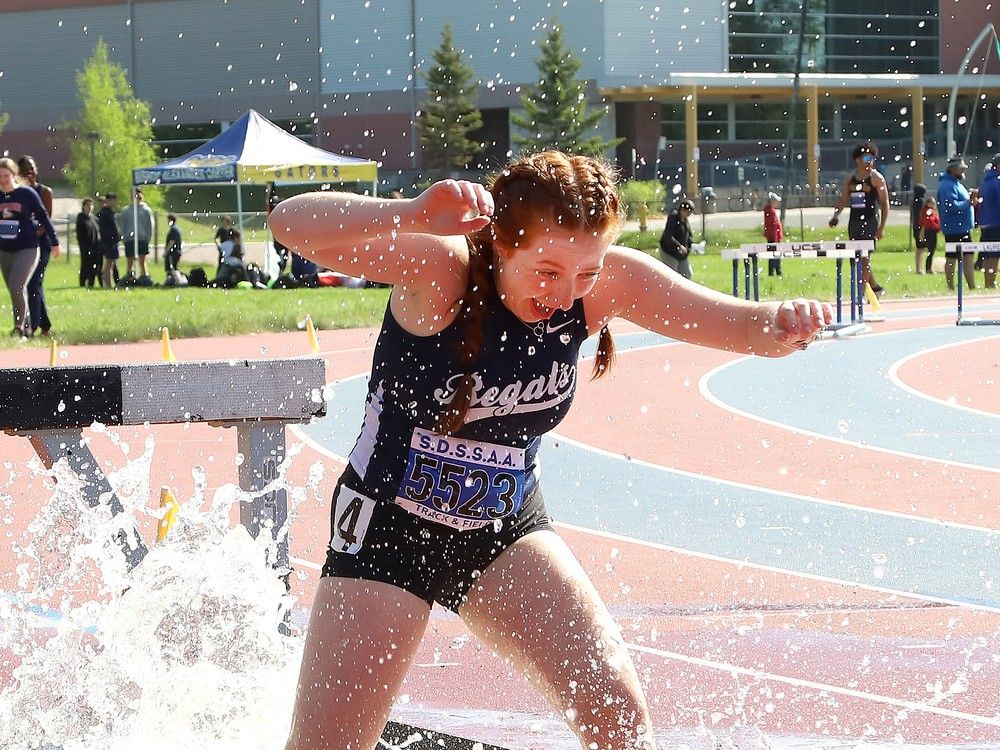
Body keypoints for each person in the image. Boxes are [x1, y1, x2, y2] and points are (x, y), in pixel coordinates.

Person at [268, 150, 832, 750]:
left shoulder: (603, 284)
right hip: (388, 529)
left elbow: (738, 325)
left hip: (501, 530)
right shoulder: (444, 268)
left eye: (585, 274)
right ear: (501, 246)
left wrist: (782, 322)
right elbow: (289, 223)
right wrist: (411, 211)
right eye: (547, 271)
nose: (566, 295)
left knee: (616, 714)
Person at [0, 157, 60, 338]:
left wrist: (55, 241)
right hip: (4, 248)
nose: (3, 179)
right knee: (14, 289)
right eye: (0, 177)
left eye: (6, 176)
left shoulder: (26, 194)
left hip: (27, 247)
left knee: (17, 284)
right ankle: (26, 327)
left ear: (13, 175)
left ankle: (19, 328)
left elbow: (43, 216)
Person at [828, 141, 889, 297]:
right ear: (858, 159)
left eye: (872, 159)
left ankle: (860, 294)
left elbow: (884, 203)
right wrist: (836, 216)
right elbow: (843, 199)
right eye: (867, 158)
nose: (870, 162)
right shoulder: (850, 179)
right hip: (855, 221)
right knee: (856, 258)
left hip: (870, 221)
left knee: (865, 257)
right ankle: (875, 287)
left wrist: (882, 227)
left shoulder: (876, 178)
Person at [17, 155, 60, 336]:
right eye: (26, 169)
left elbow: (45, 219)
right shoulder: (18, 193)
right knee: (33, 284)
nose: (30, 172)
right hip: (22, 245)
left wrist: (33, 234)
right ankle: (45, 326)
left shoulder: (44, 192)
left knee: (33, 282)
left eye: (32, 168)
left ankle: (32, 326)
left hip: (41, 244)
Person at [937, 155, 977, 291]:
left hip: (962, 228)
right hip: (955, 228)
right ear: (953, 170)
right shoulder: (948, 186)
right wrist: (968, 202)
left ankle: (970, 285)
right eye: (961, 169)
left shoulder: (955, 184)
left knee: (967, 256)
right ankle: (952, 286)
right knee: (953, 258)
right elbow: (950, 206)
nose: (963, 171)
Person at [976, 154, 1000, 289]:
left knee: (988, 255)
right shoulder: (998, 181)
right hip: (996, 223)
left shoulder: (985, 181)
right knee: (995, 256)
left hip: (985, 223)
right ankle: (991, 283)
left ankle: (988, 283)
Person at [119, 190, 154, 279]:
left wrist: (148, 238)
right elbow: (122, 225)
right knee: (130, 260)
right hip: (130, 238)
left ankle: (144, 277)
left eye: (138, 195)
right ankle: (129, 277)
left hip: (142, 238)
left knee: (142, 260)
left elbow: (150, 225)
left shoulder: (146, 210)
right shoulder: (126, 210)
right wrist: (124, 237)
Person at [657, 198, 695, 279]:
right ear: (682, 210)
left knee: (687, 274)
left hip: (681, 253)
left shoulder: (685, 221)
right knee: (671, 274)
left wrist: (688, 248)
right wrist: (679, 247)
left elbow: (689, 236)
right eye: (687, 212)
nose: (688, 215)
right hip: (668, 251)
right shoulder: (673, 218)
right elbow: (668, 237)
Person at [96, 193, 122, 289]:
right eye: (110, 200)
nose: (112, 202)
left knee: (111, 263)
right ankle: (108, 284)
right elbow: (105, 229)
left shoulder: (111, 212)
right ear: (106, 201)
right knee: (108, 263)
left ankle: (110, 283)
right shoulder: (104, 213)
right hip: (108, 241)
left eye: (113, 200)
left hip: (113, 241)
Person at [75, 197, 102, 287]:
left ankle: (91, 283)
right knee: (85, 265)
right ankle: (82, 283)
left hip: (96, 246)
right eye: (87, 205)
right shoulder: (81, 218)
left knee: (94, 266)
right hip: (86, 246)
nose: (89, 207)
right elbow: (80, 235)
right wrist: (84, 247)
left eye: (91, 205)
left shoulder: (94, 219)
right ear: (83, 206)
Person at [916, 195, 940, 277]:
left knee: (931, 250)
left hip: (933, 231)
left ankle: (928, 267)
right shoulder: (928, 211)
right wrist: (922, 232)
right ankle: (928, 268)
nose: (933, 204)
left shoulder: (932, 211)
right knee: (931, 250)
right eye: (932, 203)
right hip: (929, 232)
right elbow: (926, 222)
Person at [763, 191, 783, 277]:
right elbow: (773, 226)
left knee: (773, 255)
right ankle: (776, 271)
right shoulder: (770, 211)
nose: (777, 203)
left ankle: (774, 271)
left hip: (774, 237)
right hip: (773, 237)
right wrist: (775, 238)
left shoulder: (771, 210)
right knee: (774, 255)